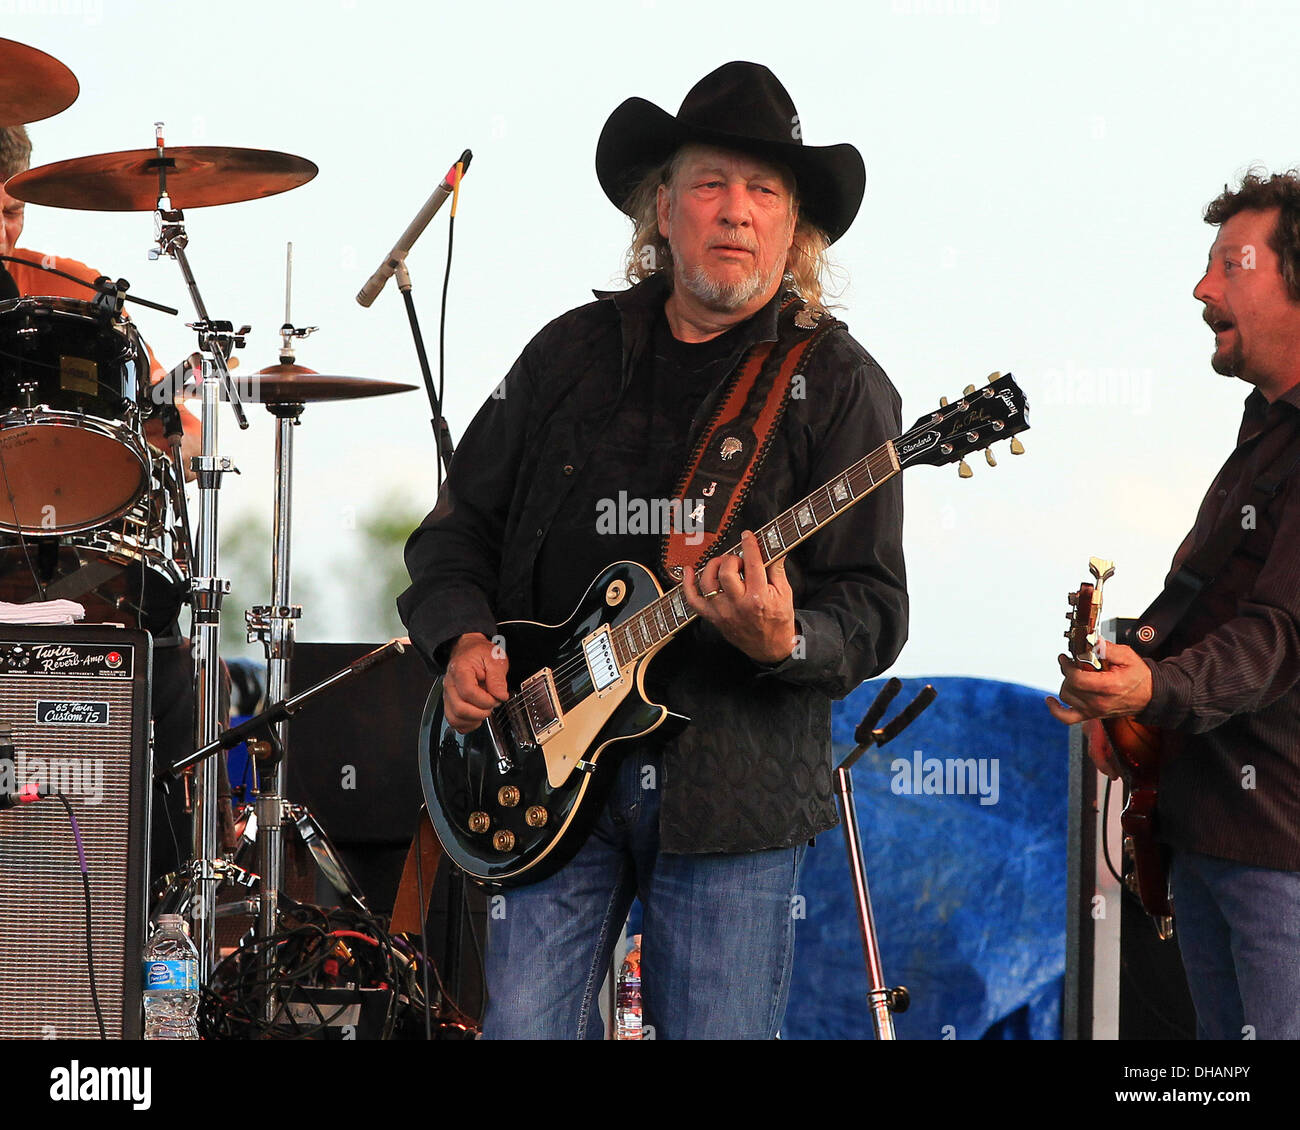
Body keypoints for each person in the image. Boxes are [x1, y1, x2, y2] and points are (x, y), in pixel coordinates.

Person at [399, 61, 908, 1039]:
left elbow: (874, 608)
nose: (735, 211)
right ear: (661, 208)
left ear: (792, 226)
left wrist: (782, 637)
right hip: (542, 773)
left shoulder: (839, 386)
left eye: (763, 190)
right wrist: (461, 639)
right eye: (710, 183)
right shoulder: (568, 353)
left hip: (735, 789)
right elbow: (456, 527)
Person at [1048, 170, 1300, 1040]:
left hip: (1281, 853)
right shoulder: (1264, 432)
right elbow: (1202, 607)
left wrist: (1149, 692)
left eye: (1232, 266)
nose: (1202, 289)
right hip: (1213, 833)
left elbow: (1279, 637)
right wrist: (1119, 677)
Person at [2, 123, 211, 879]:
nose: (3, 232)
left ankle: (161, 915)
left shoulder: (76, 293)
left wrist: (167, 435)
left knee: (167, 649)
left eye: (11, 212)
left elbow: (176, 431)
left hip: (81, 570)